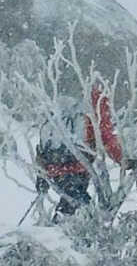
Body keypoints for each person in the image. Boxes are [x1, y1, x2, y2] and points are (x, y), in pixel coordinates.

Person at [36, 85, 124, 218]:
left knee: (70, 206)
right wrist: (122, 159)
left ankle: (60, 229)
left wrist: (41, 171)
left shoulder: (59, 87)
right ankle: (70, 231)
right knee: (78, 209)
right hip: (77, 168)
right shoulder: (96, 97)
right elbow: (106, 135)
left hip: (51, 167)